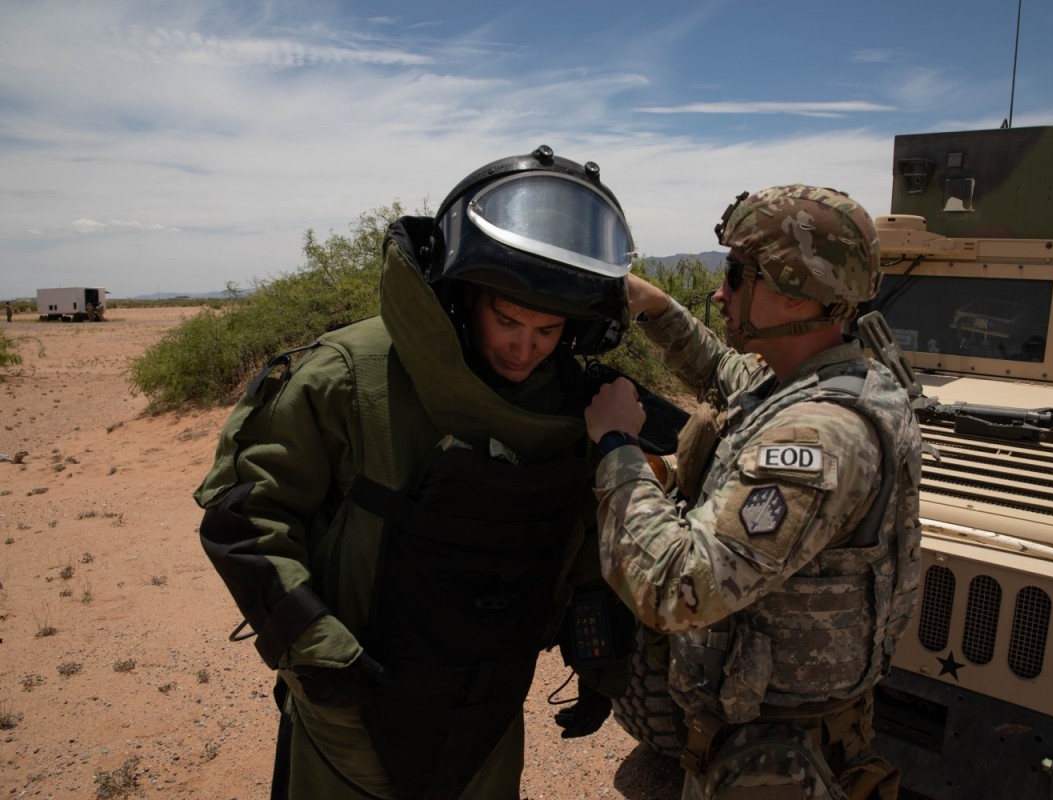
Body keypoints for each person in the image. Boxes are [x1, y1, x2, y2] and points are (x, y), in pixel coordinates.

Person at [195, 145, 641, 800]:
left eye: (548, 330)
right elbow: (247, 517)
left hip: (490, 710)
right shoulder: (349, 373)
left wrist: (600, 652)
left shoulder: (576, 401)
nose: (525, 348)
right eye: (507, 320)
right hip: (351, 712)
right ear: (461, 296)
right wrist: (320, 654)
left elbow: (576, 532)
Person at [584, 185, 924, 799]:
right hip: (761, 737)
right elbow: (725, 371)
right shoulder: (820, 373)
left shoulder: (819, 434)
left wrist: (617, 448)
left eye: (737, 276)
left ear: (794, 292)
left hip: (777, 760)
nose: (720, 292)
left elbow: (677, 588)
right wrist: (654, 306)